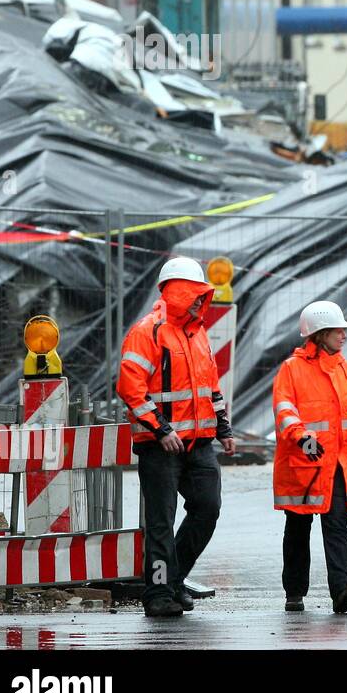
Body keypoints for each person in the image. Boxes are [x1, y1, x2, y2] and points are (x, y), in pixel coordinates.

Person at [116, 256, 234, 618]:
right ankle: (158, 593)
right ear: (177, 292)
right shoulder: (148, 331)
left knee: (207, 508)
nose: (201, 300)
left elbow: (210, 388)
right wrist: (161, 429)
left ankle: (173, 580)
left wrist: (223, 428)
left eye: (202, 294)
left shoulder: (198, 335)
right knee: (161, 521)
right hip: (160, 447)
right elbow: (130, 386)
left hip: (198, 443)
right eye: (195, 293)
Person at [272, 301, 347, 614]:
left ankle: (342, 590)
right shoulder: (291, 370)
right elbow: (284, 409)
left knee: (337, 526)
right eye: (338, 330)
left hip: (337, 464)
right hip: (304, 464)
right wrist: (301, 437)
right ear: (319, 334)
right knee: (298, 527)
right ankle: (294, 592)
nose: (344, 335)